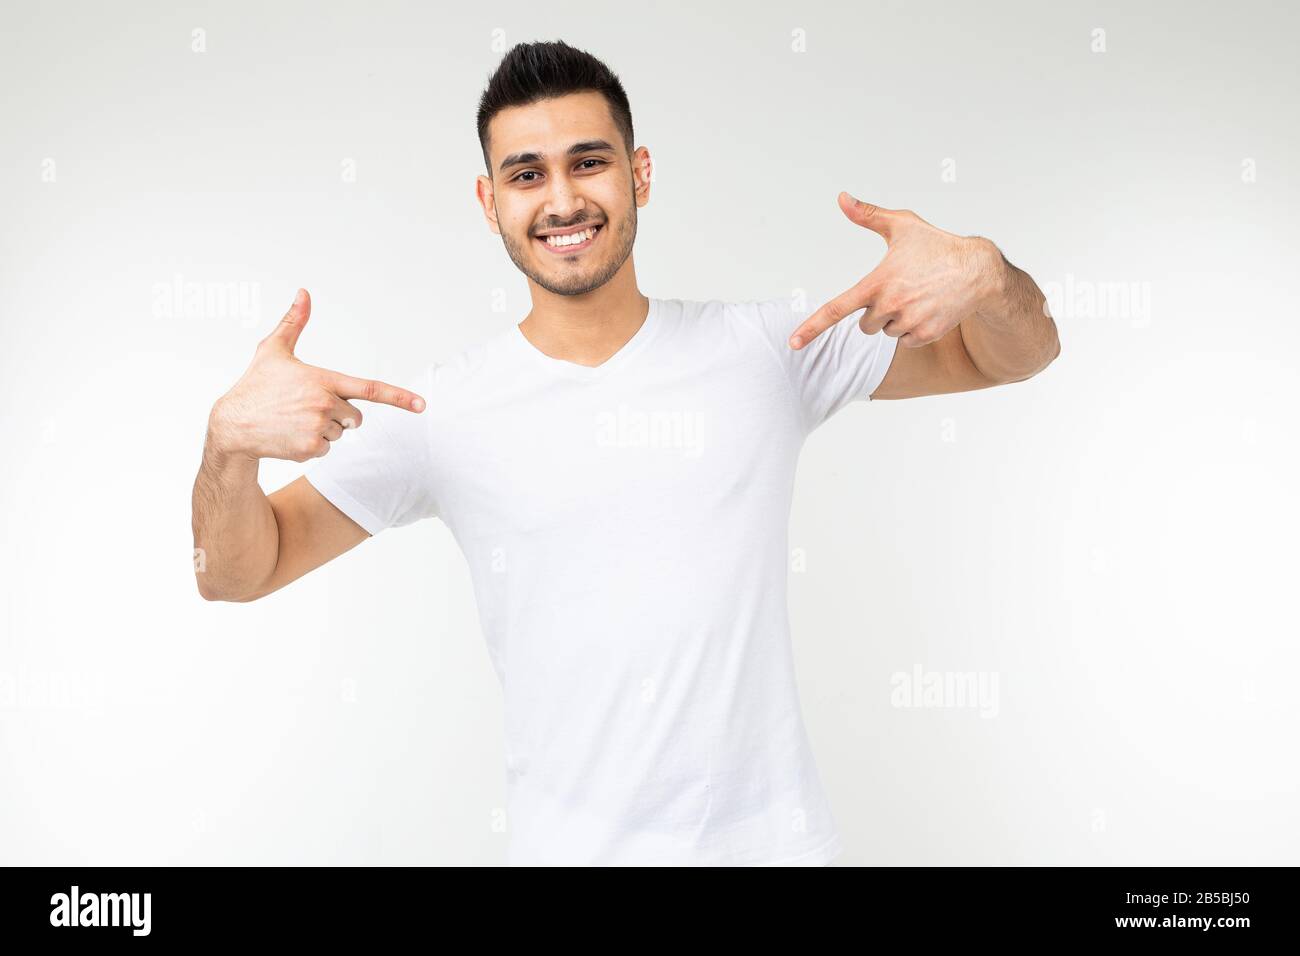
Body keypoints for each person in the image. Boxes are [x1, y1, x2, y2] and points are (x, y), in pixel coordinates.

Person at [190, 39, 1060, 866]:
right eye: (527, 175)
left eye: (589, 161)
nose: (562, 199)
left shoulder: (770, 350)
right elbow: (235, 570)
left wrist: (987, 275)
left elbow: (1011, 355)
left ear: (639, 173)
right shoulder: (442, 411)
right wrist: (227, 448)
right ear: (491, 202)